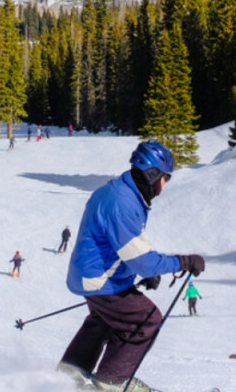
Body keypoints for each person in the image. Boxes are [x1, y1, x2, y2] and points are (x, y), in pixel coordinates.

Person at [56, 141, 206, 392]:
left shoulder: (120, 192)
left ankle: (71, 372)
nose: (164, 186)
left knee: (105, 318)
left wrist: (134, 271)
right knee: (146, 319)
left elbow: (114, 247)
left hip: (90, 275)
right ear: (153, 175)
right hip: (100, 280)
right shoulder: (123, 204)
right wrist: (184, 261)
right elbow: (144, 262)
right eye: (165, 178)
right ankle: (111, 381)